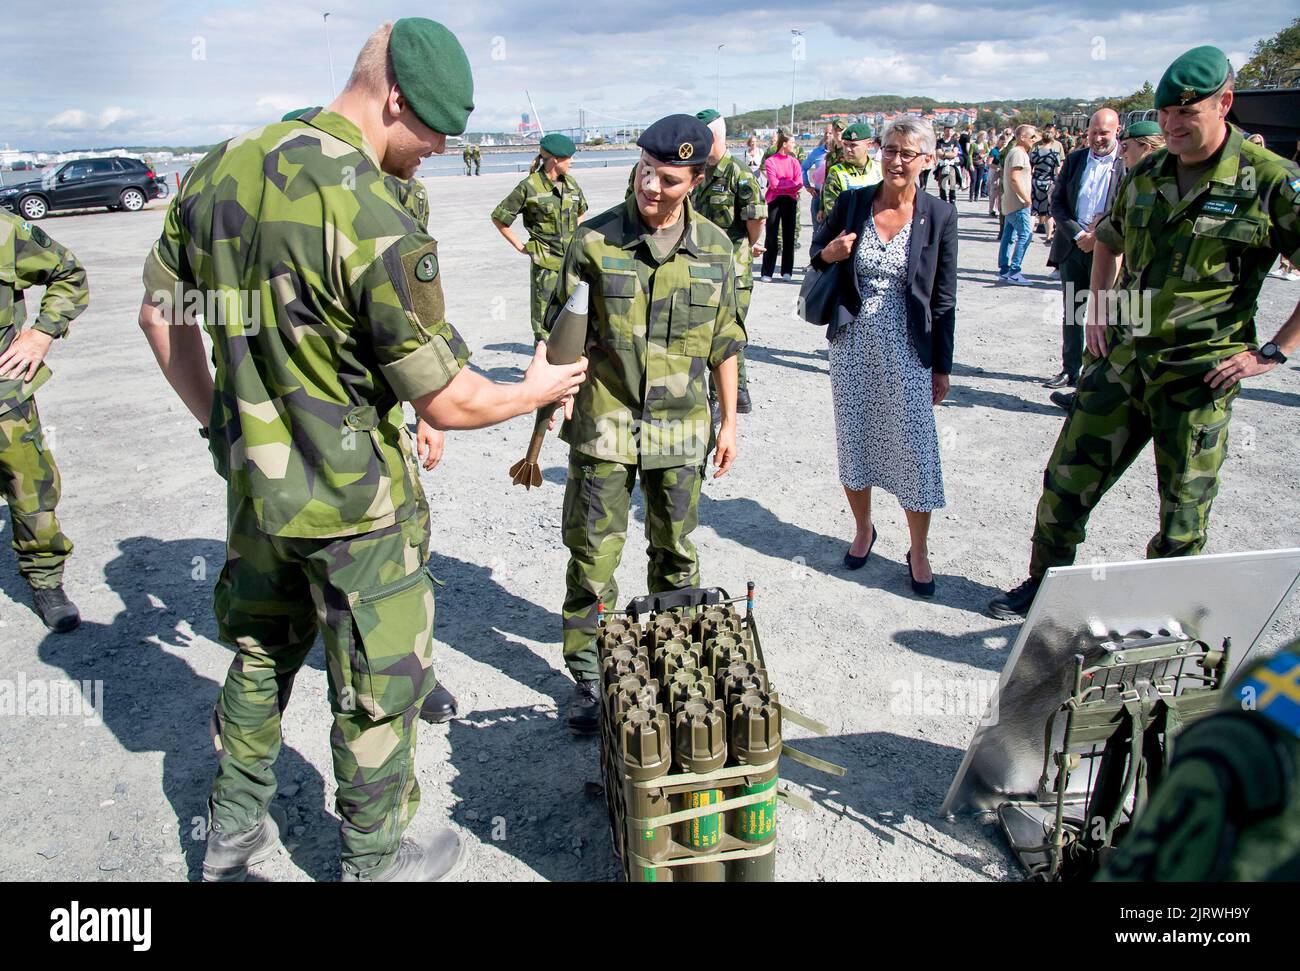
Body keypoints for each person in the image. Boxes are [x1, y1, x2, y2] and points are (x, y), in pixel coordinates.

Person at [137, 18, 588, 882]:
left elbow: (162, 316)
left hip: (258, 499)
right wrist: (536, 391)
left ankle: (231, 830)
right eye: (433, 135)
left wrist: (225, 431)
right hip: (356, 509)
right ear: (394, 98)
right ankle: (376, 859)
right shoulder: (372, 208)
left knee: (262, 654)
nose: (434, 153)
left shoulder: (221, 164)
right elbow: (449, 398)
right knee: (380, 683)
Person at [989, 45, 1300, 620]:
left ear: (1224, 103)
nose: (1174, 125)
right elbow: (1107, 239)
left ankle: (1161, 618)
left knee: (1182, 515)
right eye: (1165, 114)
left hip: (1198, 376)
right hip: (1125, 362)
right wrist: (1099, 309)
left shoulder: (1270, 181)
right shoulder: (1148, 174)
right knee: (1065, 481)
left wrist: (1273, 353)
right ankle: (1043, 587)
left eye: (1187, 111)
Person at [549, 113, 744, 732]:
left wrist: (730, 423)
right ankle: (587, 673)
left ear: (696, 179)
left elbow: (726, 344)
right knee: (593, 557)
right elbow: (560, 337)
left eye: (667, 178)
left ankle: (673, 659)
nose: (651, 187)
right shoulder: (594, 241)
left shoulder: (715, 250)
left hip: (681, 430)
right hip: (604, 423)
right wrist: (549, 399)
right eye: (644, 171)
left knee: (677, 554)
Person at [809, 118, 957, 598]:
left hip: (910, 347)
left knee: (915, 451)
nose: (896, 160)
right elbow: (815, 255)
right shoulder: (853, 202)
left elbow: (944, 298)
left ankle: (918, 549)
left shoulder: (939, 215)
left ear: (926, 160)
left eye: (907, 153)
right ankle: (863, 527)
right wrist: (830, 253)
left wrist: (942, 365)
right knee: (856, 441)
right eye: (890, 149)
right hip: (852, 345)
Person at [0, 212, 87, 632]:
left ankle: (45, 580)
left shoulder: (5, 231)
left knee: (30, 489)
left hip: (3, 398)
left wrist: (42, 333)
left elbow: (68, 274)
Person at [1043, 108, 1124, 393]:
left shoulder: (1128, 164)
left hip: (1110, 248)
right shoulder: (1076, 159)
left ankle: (1099, 374)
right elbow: (1057, 203)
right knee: (1072, 312)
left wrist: (1097, 236)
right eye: (1093, 132)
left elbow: (1125, 210)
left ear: (1117, 130)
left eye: (1104, 132)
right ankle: (1070, 370)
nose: (1098, 138)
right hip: (1073, 246)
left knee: (1106, 311)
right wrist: (1079, 234)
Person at [691, 108, 765, 417]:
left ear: (714, 137)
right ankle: (739, 393)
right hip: (700, 263)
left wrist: (748, 247)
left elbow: (755, 218)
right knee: (710, 329)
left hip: (733, 267)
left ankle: (723, 397)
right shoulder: (696, 171)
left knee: (727, 331)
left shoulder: (739, 174)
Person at [491, 132, 589, 342]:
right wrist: (521, 246)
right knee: (544, 318)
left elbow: (581, 211)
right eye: (568, 158)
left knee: (572, 314)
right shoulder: (530, 186)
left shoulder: (571, 184)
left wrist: (578, 240)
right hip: (545, 263)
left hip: (571, 262)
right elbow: (500, 218)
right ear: (555, 159)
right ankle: (543, 359)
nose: (571, 162)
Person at [819, 122, 883, 225]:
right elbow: (834, 213)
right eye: (845, 144)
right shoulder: (837, 173)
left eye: (853, 145)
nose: (848, 149)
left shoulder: (880, 169)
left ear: (869, 145)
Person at [997, 124, 1037, 285]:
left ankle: (1005, 270)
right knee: (1025, 235)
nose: (1035, 140)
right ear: (1022, 137)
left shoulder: (1015, 152)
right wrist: (1026, 199)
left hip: (1011, 202)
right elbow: (1014, 178)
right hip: (1018, 203)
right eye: (1032, 137)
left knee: (1008, 236)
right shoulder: (1019, 153)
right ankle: (1014, 270)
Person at [761, 132, 803, 281]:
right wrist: (789, 184)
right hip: (774, 201)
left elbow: (799, 183)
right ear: (784, 143)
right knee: (771, 236)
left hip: (790, 200)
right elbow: (773, 184)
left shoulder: (794, 162)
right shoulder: (770, 161)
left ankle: (787, 271)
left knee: (789, 236)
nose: (794, 145)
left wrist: (784, 185)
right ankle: (767, 271)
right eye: (792, 142)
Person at [1029, 130, 1062, 245]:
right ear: (1052, 140)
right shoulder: (1055, 154)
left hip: (1036, 182)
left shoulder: (1034, 153)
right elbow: (1058, 171)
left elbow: (1030, 169)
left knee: (1034, 211)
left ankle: (1029, 235)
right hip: (1049, 182)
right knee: (1048, 212)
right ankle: (1048, 237)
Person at [934, 123, 961, 204]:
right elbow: (939, 153)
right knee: (942, 184)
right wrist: (948, 154)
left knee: (953, 182)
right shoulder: (939, 142)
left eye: (951, 131)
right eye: (947, 130)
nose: (949, 132)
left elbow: (955, 153)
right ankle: (943, 200)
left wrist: (945, 154)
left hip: (951, 164)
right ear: (944, 131)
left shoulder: (954, 141)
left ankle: (952, 199)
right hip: (942, 164)